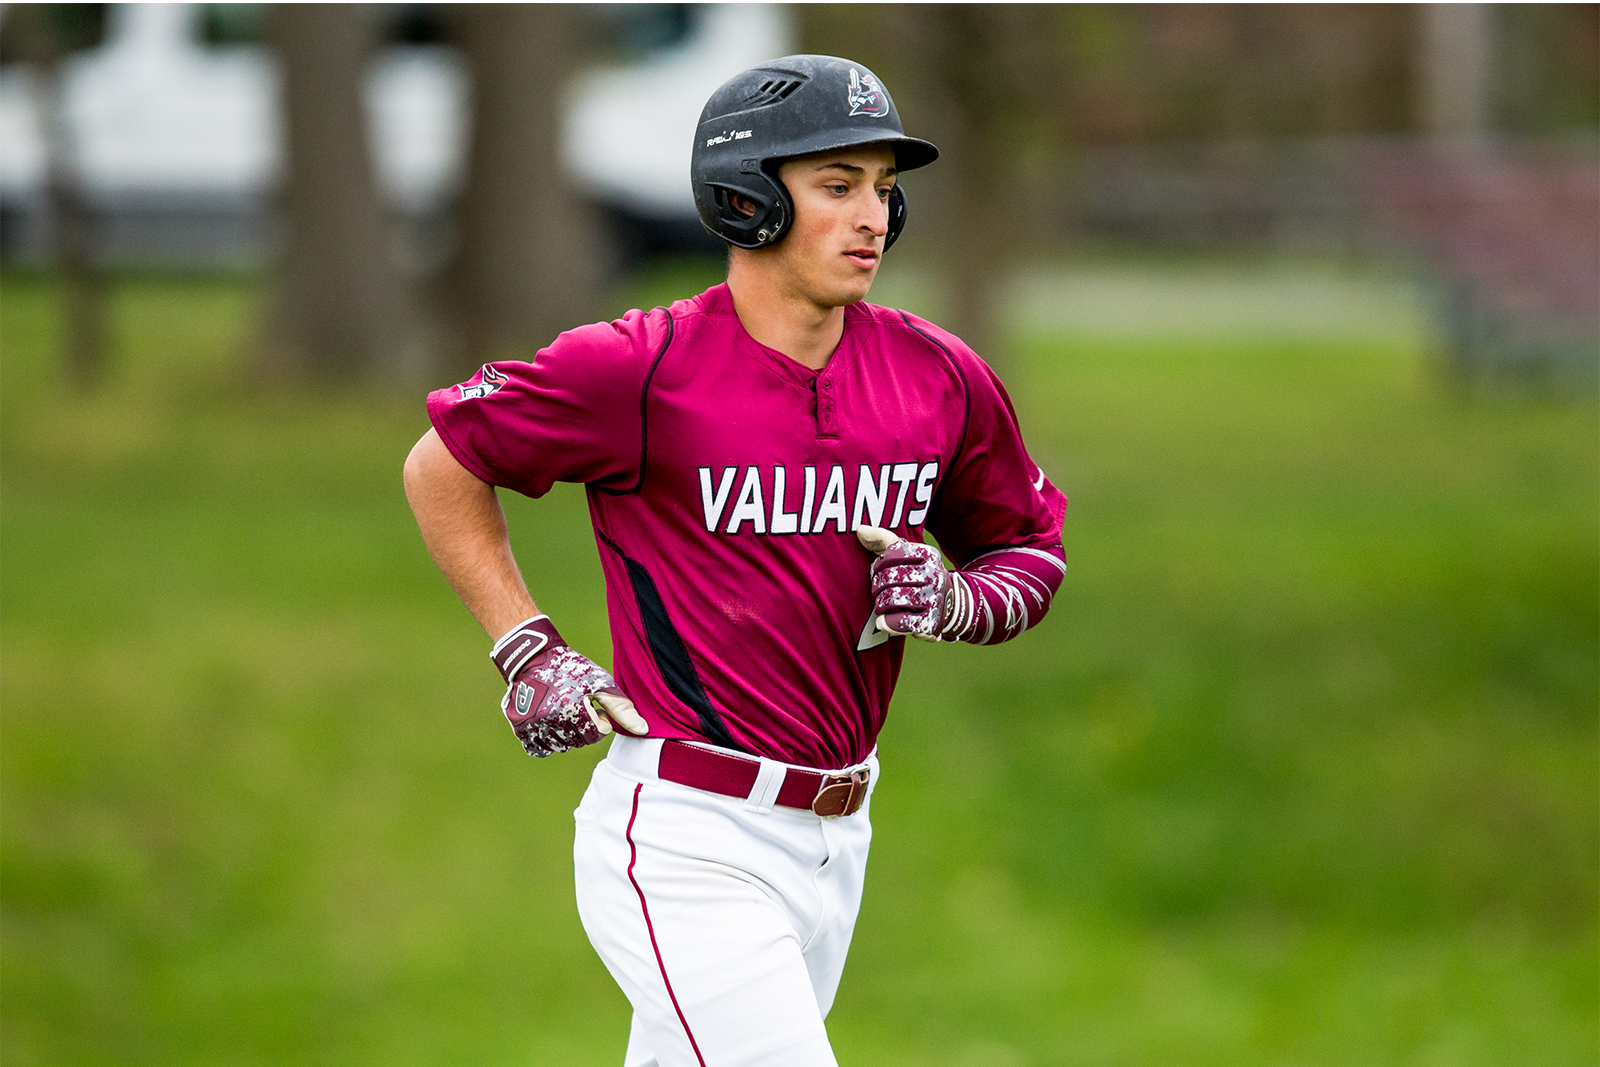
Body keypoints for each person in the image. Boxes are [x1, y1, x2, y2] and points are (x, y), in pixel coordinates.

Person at [403, 54, 1066, 1067]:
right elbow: (442, 462)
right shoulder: (639, 365)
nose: (873, 219)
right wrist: (524, 646)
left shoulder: (938, 372)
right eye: (837, 186)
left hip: (839, 831)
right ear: (743, 197)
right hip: (684, 835)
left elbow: (1026, 548)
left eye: (885, 190)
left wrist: (958, 599)